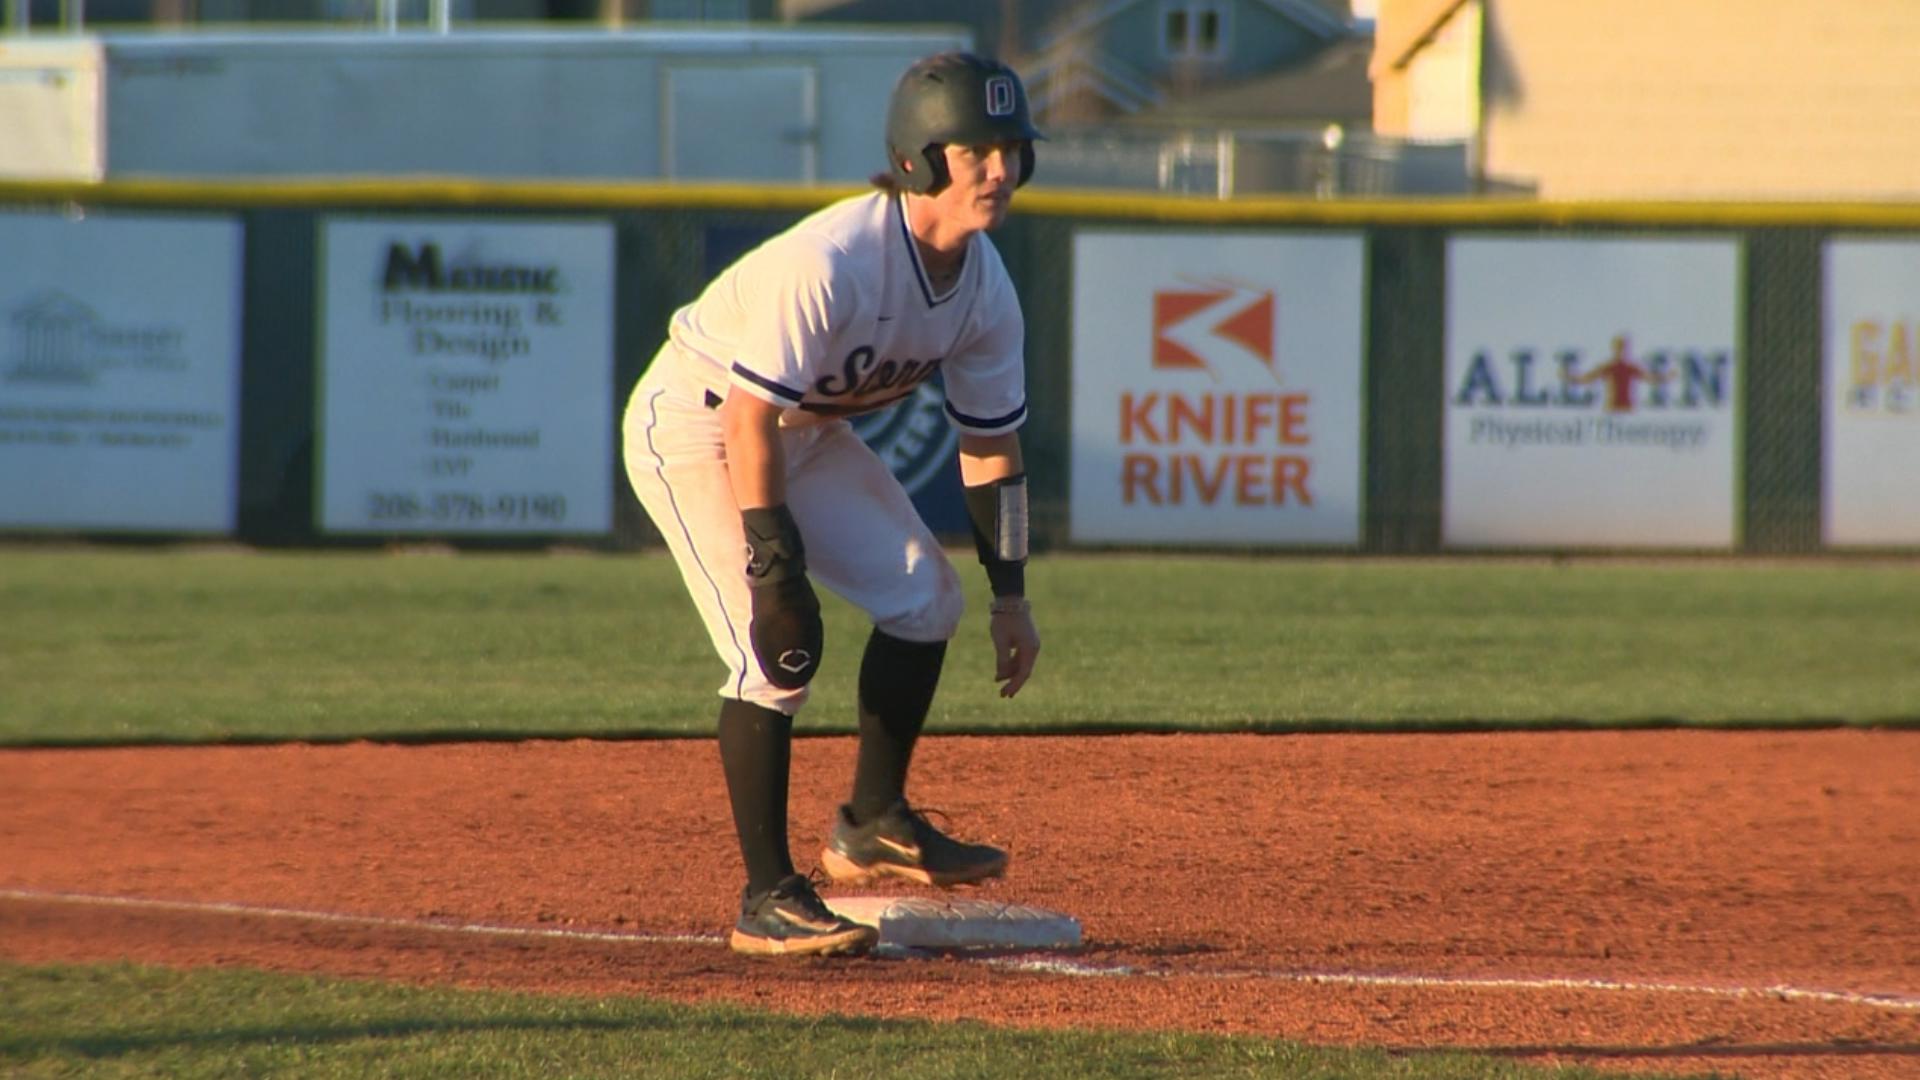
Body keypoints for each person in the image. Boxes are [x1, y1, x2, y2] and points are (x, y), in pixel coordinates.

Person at [620, 51, 1044, 958]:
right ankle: (766, 895)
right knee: (773, 654)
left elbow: (991, 446)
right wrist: (778, 571)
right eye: (977, 151)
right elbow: (747, 418)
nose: (1001, 170)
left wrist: (1011, 596)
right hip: (699, 425)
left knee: (929, 601)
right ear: (919, 161)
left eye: (1013, 148)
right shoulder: (831, 263)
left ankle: (874, 822)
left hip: (800, 432)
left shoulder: (983, 285)